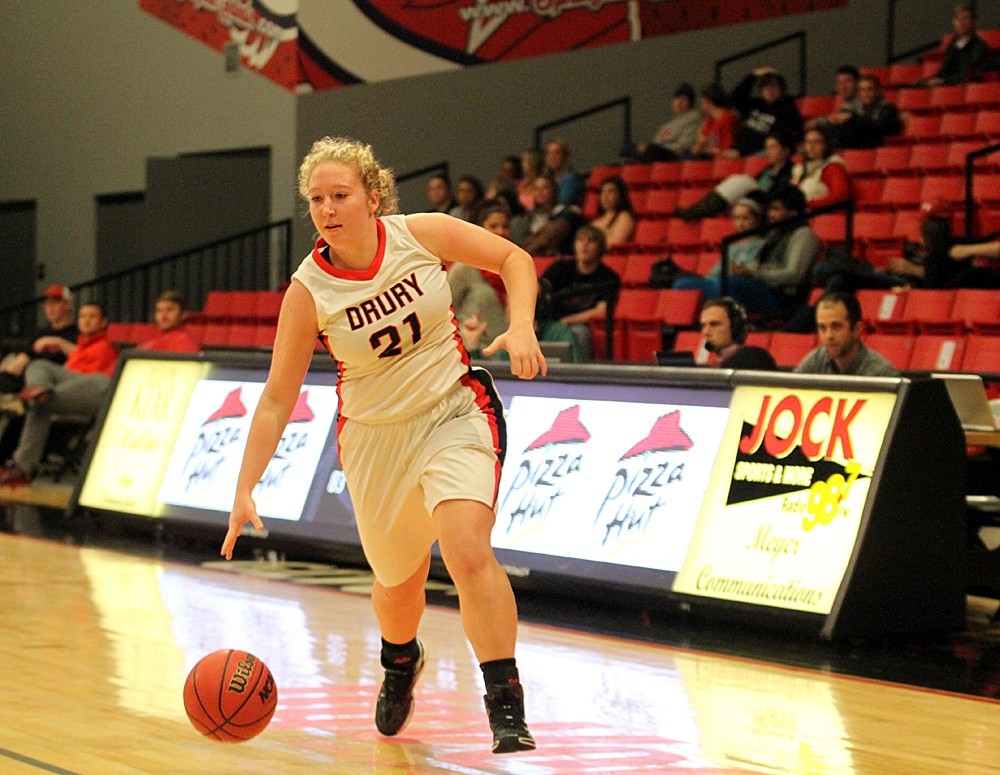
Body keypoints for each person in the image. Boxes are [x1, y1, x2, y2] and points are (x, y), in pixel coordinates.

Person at [219, 136, 544, 755]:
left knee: (467, 547)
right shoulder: (308, 290)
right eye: (316, 199)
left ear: (373, 197)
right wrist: (244, 488)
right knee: (398, 582)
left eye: (340, 195)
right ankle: (400, 660)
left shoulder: (421, 234)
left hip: (454, 411)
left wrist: (522, 324)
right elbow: (277, 398)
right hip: (375, 439)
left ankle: (506, 705)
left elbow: (514, 258)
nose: (327, 209)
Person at [0, 302, 118, 486]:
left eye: (92, 317)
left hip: (95, 394)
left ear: (103, 322)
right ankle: (38, 393)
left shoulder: (105, 348)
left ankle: (38, 395)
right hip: (63, 395)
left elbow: (89, 385)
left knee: (94, 380)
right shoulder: (79, 349)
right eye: (83, 316)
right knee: (38, 367)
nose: (86, 321)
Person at [674, 186, 820, 318]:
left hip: (781, 298)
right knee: (684, 284)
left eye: (776, 209)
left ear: (793, 212)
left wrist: (752, 272)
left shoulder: (804, 235)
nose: (770, 215)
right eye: (769, 209)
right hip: (760, 287)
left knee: (729, 283)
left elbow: (794, 275)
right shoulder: (775, 235)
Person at [675, 129, 796, 221]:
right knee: (739, 181)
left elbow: (778, 194)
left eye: (773, 147)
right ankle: (698, 210)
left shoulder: (790, 171)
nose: (768, 152)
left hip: (764, 205)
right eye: (767, 148)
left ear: (786, 150)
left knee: (742, 181)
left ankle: (697, 212)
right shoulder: (767, 170)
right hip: (748, 201)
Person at [541, 224, 621, 359]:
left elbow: (601, 310)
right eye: (580, 240)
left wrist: (568, 321)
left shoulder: (608, 277)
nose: (584, 245)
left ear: (600, 247)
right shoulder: (559, 268)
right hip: (550, 323)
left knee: (580, 334)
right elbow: (539, 291)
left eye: (591, 241)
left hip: (580, 326)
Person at [461, 278, 585, 363]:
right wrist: (472, 345)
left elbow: (579, 379)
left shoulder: (560, 334)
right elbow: (489, 383)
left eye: (523, 300)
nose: (511, 307)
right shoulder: (509, 341)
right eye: (511, 300)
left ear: (539, 306)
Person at [449, 202, 513, 353]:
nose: (501, 231)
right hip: (473, 352)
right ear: (481, 229)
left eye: (505, 226)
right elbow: (443, 311)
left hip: (509, 353)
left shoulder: (513, 270)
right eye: (493, 226)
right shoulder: (464, 268)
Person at [0, 283, 80, 397]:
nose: (50, 308)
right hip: (25, 380)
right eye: (47, 304)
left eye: (55, 303)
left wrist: (58, 342)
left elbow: (82, 355)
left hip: (56, 382)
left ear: (68, 304)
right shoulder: (40, 334)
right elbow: (19, 363)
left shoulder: (78, 333)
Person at [794, 290, 898, 376]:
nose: (829, 336)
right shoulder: (814, 363)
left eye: (836, 327)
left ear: (857, 329)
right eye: (822, 328)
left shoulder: (881, 373)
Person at [728, 68, 804, 158]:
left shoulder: (787, 109)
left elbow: (783, 137)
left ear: (781, 89)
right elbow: (735, 98)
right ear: (761, 90)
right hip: (742, 152)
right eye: (766, 87)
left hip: (764, 153)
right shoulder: (755, 105)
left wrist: (742, 152)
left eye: (774, 86)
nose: (770, 90)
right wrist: (753, 75)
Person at [627, 82, 702, 162]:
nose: (679, 102)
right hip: (658, 151)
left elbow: (684, 145)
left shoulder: (693, 117)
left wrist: (657, 147)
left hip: (674, 155)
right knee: (628, 148)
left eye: (684, 99)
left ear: (690, 103)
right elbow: (656, 140)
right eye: (677, 98)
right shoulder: (670, 123)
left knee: (653, 150)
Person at [698, 297, 777, 370]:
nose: (706, 332)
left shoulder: (754, 358)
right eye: (703, 326)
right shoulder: (718, 363)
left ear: (736, 327)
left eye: (714, 324)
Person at [824, 75, 902, 150]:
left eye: (870, 89)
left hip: (877, 146)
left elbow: (880, 127)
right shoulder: (855, 107)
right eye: (862, 90)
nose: (866, 94)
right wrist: (834, 121)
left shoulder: (887, 108)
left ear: (878, 91)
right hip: (854, 145)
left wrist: (853, 118)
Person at [922, 5, 990, 86]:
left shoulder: (979, 47)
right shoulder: (953, 44)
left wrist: (943, 81)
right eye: (958, 18)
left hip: (962, 87)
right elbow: (945, 69)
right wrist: (931, 80)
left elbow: (968, 75)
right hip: (947, 85)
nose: (961, 22)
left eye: (965, 18)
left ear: (974, 22)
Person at [522, 174, 588, 257]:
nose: (540, 192)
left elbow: (546, 240)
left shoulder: (566, 213)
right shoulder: (529, 216)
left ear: (553, 190)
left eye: (545, 188)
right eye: (536, 189)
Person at [789, 127, 851, 210]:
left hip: (822, 213)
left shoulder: (833, 167)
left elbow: (840, 196)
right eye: (808, 142)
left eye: (817, 142)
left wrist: (809, 204)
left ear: (826, 145)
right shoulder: (799, 168)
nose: (811, 146)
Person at [136, 290, 202, 352]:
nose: (163, 315)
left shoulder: (186, 342)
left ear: (183, 314)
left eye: (170, 310)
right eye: (159, 311)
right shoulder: (148, 338)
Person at [689, 83, 740, 160]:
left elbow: (728, 148)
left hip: (727, 160)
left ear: (708, 102)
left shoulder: (728, 117)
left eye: (702, 101)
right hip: (714, 159)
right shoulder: (711, 120)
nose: (701, 105)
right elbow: (699, 143)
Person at [808, 65, 862, 130]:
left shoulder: (863, 102)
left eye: (847, 82)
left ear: (857, 83)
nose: (843, 87)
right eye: (840, 83)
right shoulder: (840, 103)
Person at [589, 175, 637, 248]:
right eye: (603, 192)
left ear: (620, 195)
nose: (605, 196)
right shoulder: (597, 220)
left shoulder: (624, 217)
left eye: (610, 191)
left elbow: (615, 243)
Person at [542, 138, 585, 208]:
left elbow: (564, 202)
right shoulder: (547, 178)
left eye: (557, 153)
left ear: (565, 156)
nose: (552, 157)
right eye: (549, 153)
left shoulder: (571, 178)